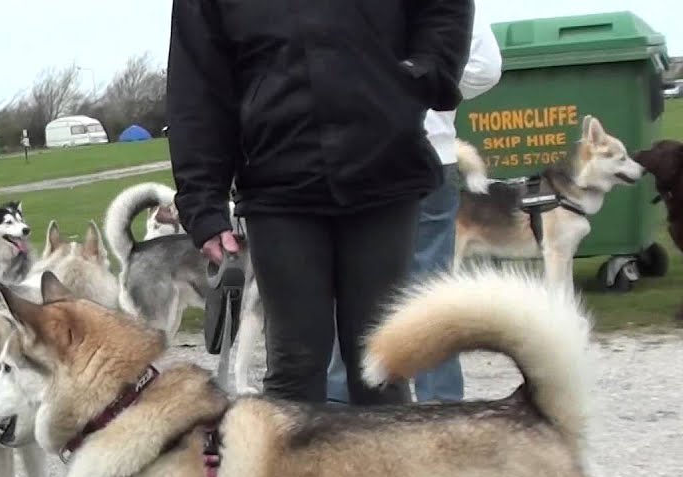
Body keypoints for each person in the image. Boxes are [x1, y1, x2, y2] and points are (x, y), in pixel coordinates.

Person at [166, 0, 472, 404]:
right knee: (294, 368)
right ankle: (294, 469)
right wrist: (203, 202)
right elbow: (197, 84)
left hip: (382, 168)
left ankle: (386, 469)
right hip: (277, 183)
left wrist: (422, 73)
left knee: (381, 368)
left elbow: (444, 10)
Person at [326, 20, 503, 404]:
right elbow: (487, 67)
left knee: (358, 289)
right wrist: (435, 91)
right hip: (433, 152)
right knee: (432, 287)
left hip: (362, 152)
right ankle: (440, 402)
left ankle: (342, 404)